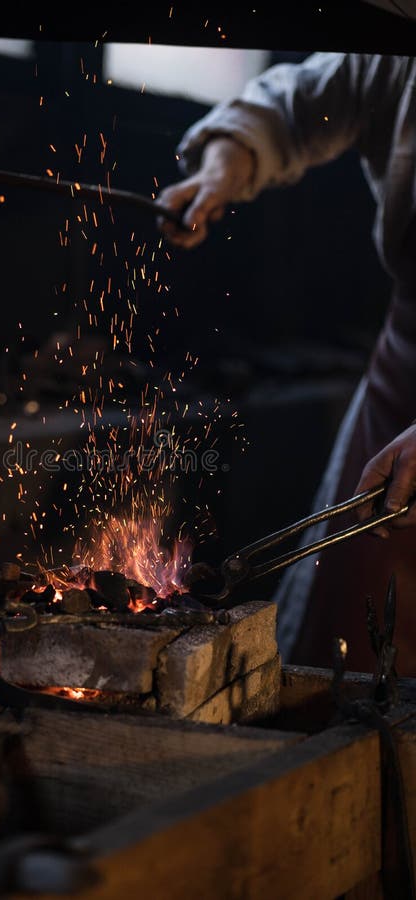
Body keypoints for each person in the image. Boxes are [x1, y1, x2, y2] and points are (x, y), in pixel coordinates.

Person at [156, 51, 416, 675]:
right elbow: (297, 101)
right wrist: (224, 167)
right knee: (343, 654)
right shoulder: (399, 49)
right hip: (404, 375)